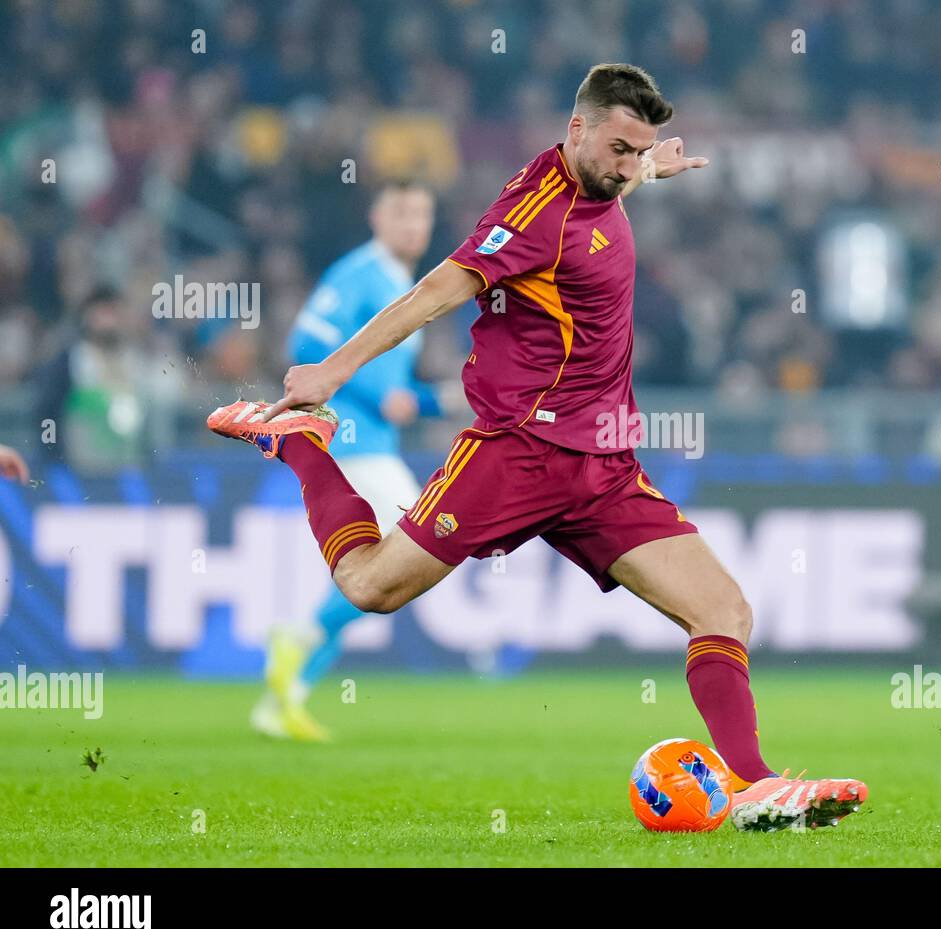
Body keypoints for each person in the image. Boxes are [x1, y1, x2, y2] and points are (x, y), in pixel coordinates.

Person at [209, 63, 866, 830]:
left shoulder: (599, 179)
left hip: (605, 468)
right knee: (367, 589)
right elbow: (435, 292)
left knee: (723, 609)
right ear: (577, 129)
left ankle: (753, 788)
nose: (626, 168)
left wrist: (651, 168)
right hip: (519, 453)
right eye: (620, 149)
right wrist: (334, 371)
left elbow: (605, 188)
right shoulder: (535, 212)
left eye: (637, 153)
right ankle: (300, 446)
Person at [251, 180, 452, 741]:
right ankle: (300, 637)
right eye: (403, 211)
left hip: (377, 443)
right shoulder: (359, 272)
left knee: (369, 570)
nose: (414, 224)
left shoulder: (401, 281)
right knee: (420, 545)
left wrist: (430, 398)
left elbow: (397, 388)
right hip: (351, 440)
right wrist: (381, 395)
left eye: (423, 213)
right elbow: (306, 347)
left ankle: (280, 702)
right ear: (377, 217)